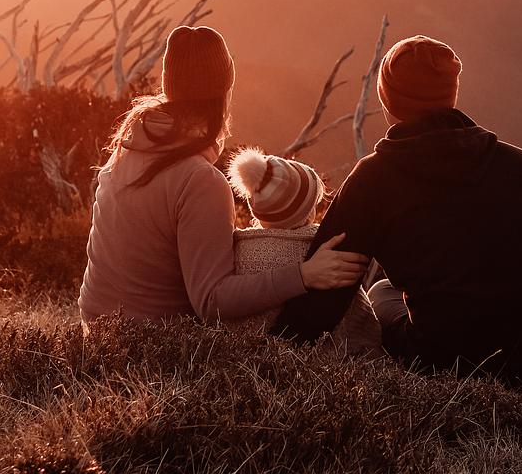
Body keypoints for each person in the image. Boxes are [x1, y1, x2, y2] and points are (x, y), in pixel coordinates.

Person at [272, 35, 522, 394]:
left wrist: (278, 346)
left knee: (380, 295)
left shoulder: (373, 179)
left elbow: (331, 282)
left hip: (444, 363)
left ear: (387, 100)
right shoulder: (520, 165)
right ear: (451, 94)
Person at [77, 25, 368, 329]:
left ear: (169, 87)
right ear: (224, 93)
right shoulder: (200, 180)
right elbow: (212, 301)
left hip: (95, 330)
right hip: (153, 345)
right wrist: (304, 274)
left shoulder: (128, 148)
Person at [224, 147, 382, 354]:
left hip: (240, 357)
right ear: (307, 210)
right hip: (319, 364)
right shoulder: (322, 250)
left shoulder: (237, 248)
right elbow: (359, 320)